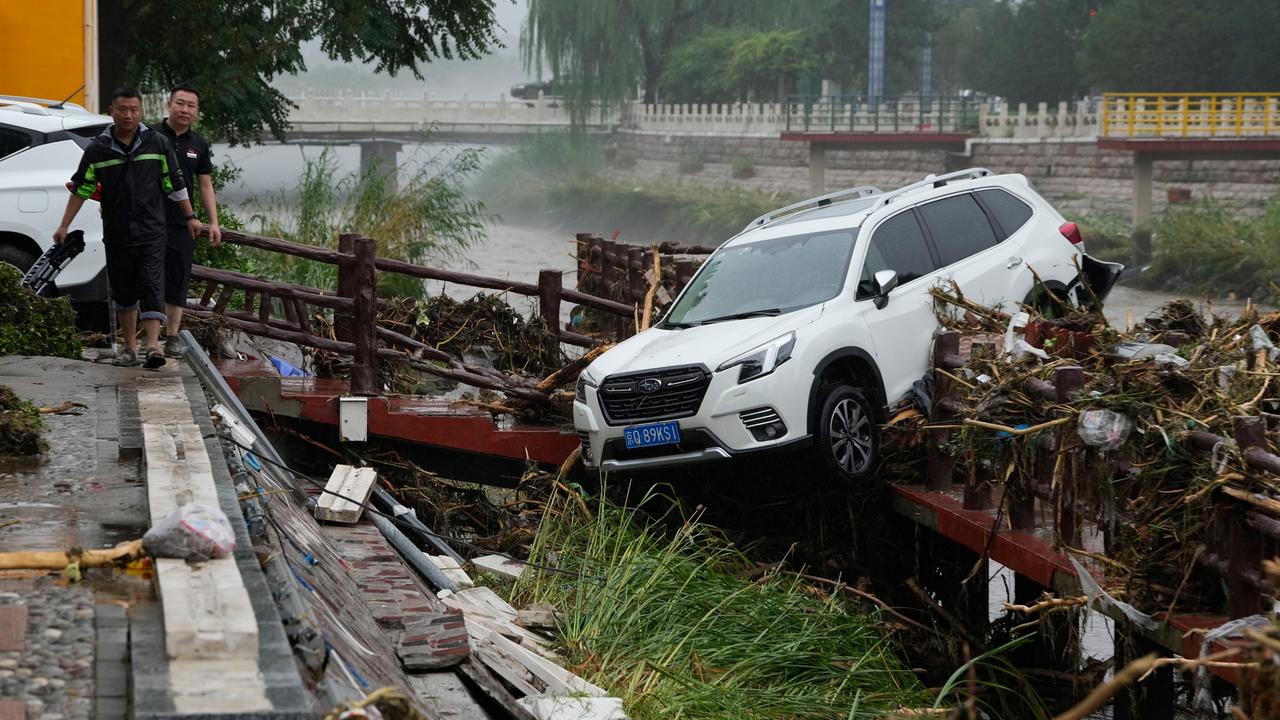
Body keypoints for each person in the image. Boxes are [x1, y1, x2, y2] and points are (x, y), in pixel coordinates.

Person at [53, 86, 201, 369]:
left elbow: (175, 185)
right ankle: (130, 349)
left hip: (152, 230)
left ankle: (154, 347)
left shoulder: (156, 143)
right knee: (123, 290)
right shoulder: (99, 148)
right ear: (112, 111)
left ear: (141, 112)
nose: (128, 115)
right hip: (118, 231)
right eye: (123, 110)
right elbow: (81, 188)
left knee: (151, 283)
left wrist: (190, 216)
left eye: (134, 110)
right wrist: (64, 225)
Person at [157, 82, 221, 356]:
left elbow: (205, 185)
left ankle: (171, 336)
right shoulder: (150, 135)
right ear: (168, 105)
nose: (184, 109)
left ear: (197, 111)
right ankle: (140, 337)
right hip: (149, 220)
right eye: (180, 103)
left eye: (190, 106)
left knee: (178, 278)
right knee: (146, 276)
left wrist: (214, 222)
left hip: (184, 223)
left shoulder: (199, 144)